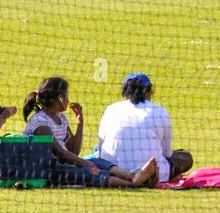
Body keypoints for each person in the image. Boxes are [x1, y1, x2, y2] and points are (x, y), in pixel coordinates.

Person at [22, 77, 156, 188]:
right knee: (89, 171)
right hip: (46, 169)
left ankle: (133, 176)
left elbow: (73, 151)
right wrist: (85, 163)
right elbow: (61, 153)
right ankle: (137, 185)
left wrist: (80, 123)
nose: (68, 98)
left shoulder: (60, 118)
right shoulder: (41, 123)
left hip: (61, 164)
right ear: (60, 98)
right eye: (67, 94)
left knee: (99, 162)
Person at [93, 73, 185, 186]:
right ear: (148, 92)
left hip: (112, 170)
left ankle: (129, 176)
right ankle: (146, 175)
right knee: (185, 157)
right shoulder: (160, 111)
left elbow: (101, 150)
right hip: (155, 169)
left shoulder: (111, 109)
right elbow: (167, 152)